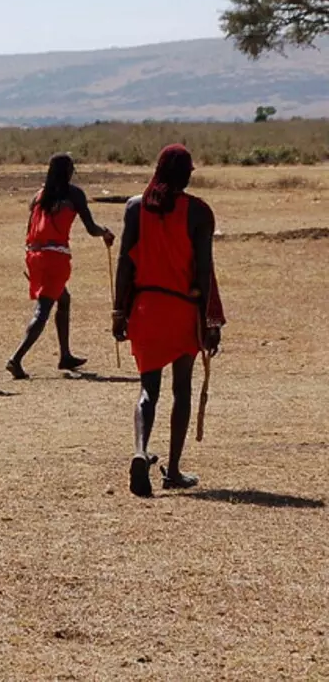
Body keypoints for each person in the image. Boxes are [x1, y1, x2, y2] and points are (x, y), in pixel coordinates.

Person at [113, 144, 224, 498]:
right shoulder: (199, 213)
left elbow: (124, 265)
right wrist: (210, 322)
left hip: (145, 309)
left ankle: (140, 451)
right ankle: (173, 470)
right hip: (182, 311)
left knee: (148, 390)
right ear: (186, 175)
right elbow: (204, 273)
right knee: (181, 390)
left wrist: (119, 312)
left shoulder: (135, 208)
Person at [7, 154, 115, 379]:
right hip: (55, 257)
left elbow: (30, 228)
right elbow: (91, 227)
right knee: (43, 309)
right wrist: (105, 233)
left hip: (34, 255)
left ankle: (65, 355)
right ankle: (16, 359)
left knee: (63, 299)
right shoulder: (74, 194)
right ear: (68, 171)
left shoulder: (38, 196)